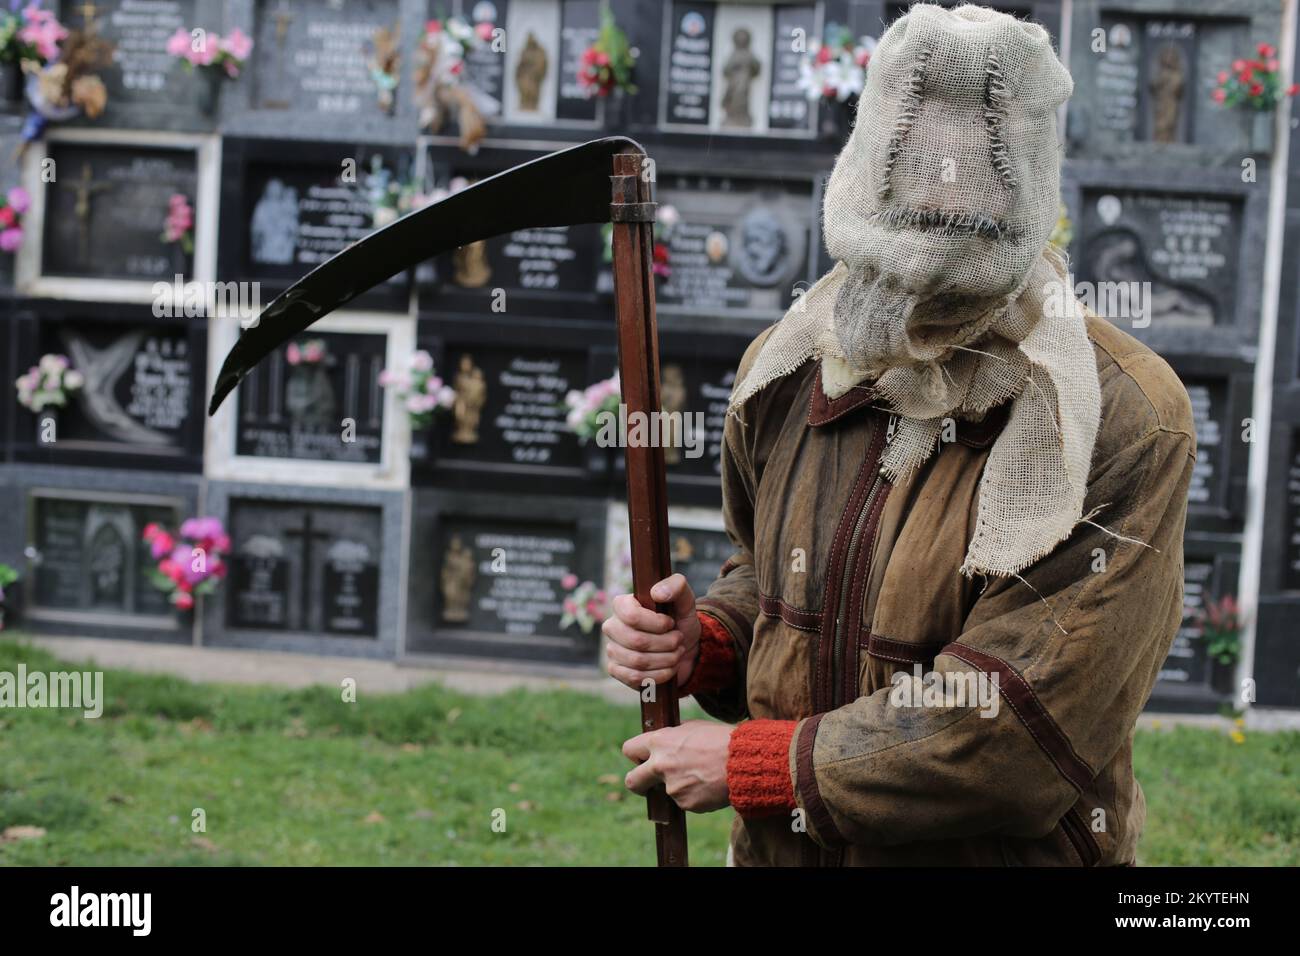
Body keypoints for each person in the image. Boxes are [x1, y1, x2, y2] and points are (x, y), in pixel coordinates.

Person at [603, 3, 1195, 866]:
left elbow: (1018, 734)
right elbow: (769, 567)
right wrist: (713, 642)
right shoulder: (793, 361)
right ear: (875, 149)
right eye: (921, 144)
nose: (947, 179)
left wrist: (764, 766)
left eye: (980, 150)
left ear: (1027, 167)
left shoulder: (1119, 414)